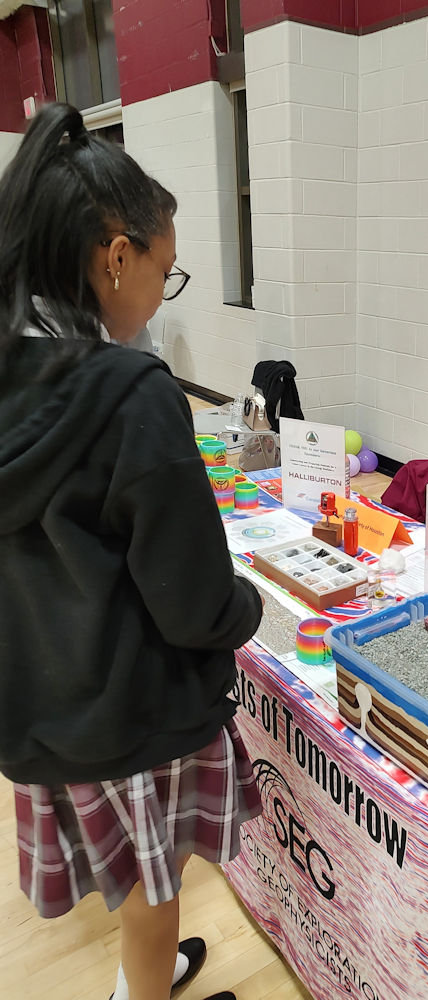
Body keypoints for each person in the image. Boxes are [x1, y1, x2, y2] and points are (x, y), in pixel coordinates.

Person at [0, 103, 263, 1000]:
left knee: (130, 877)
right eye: (166, 270)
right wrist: (249, 605)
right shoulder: (132, 390)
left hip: (39, 698)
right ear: (117, 256)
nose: (161, 292)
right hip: (129, 710)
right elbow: (192, 601)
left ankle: (135, 985)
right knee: (156, 881)